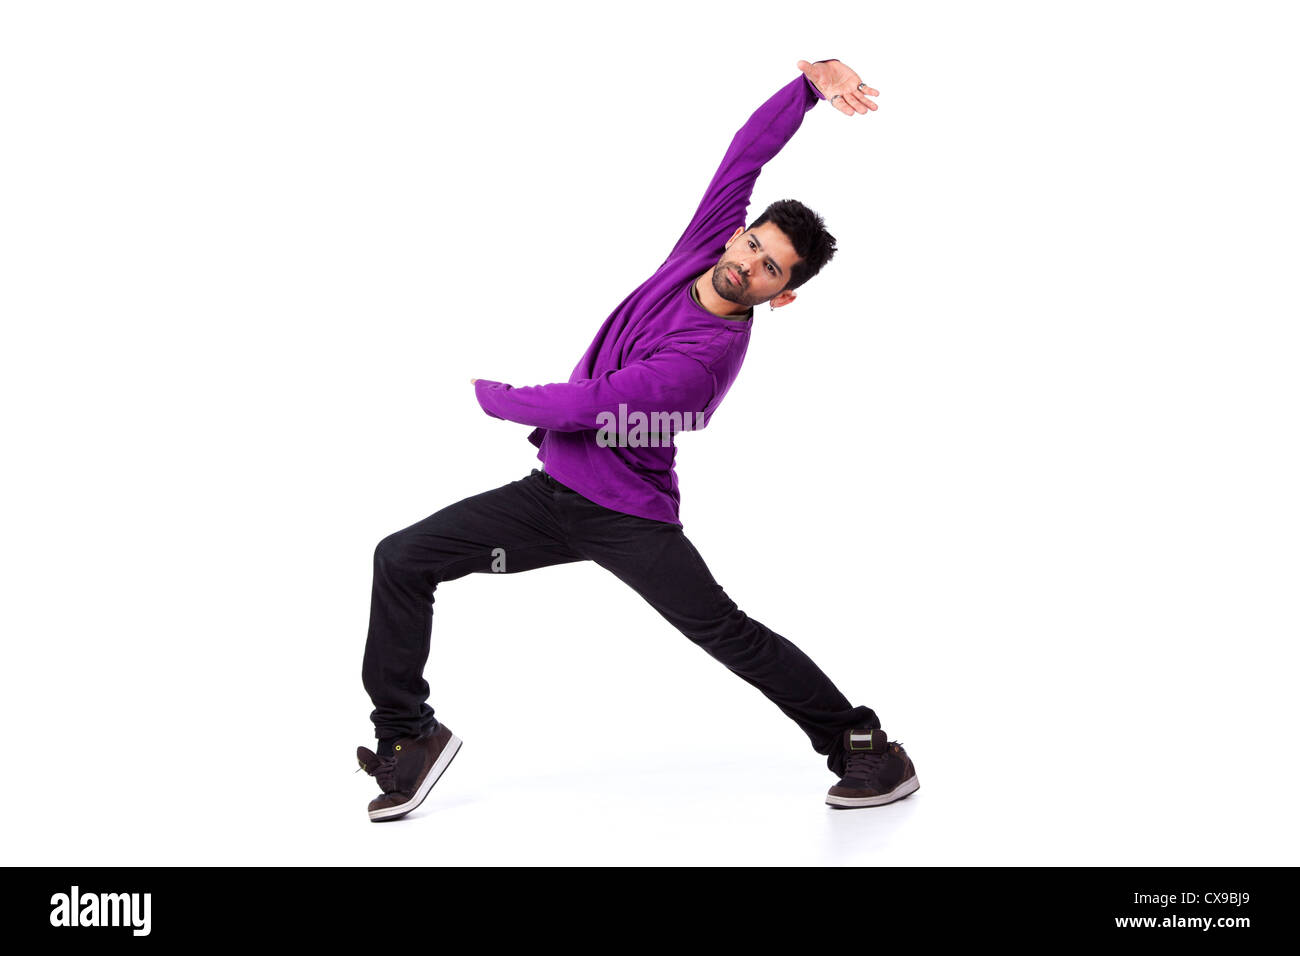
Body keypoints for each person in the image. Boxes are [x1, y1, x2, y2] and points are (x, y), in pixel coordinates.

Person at [355, 57, 919, 822]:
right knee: (403, 558)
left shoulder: (704, 361)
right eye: (752, 245)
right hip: (548, 499)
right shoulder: (707, 246)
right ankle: (407, 738)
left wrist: (485, 395)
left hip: (625, 519)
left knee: (726, 633)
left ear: (781, 296)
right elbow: (744, 155)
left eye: (767, 269)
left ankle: (866, 749)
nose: (746, 264)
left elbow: (594, 404)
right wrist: (808, 89)